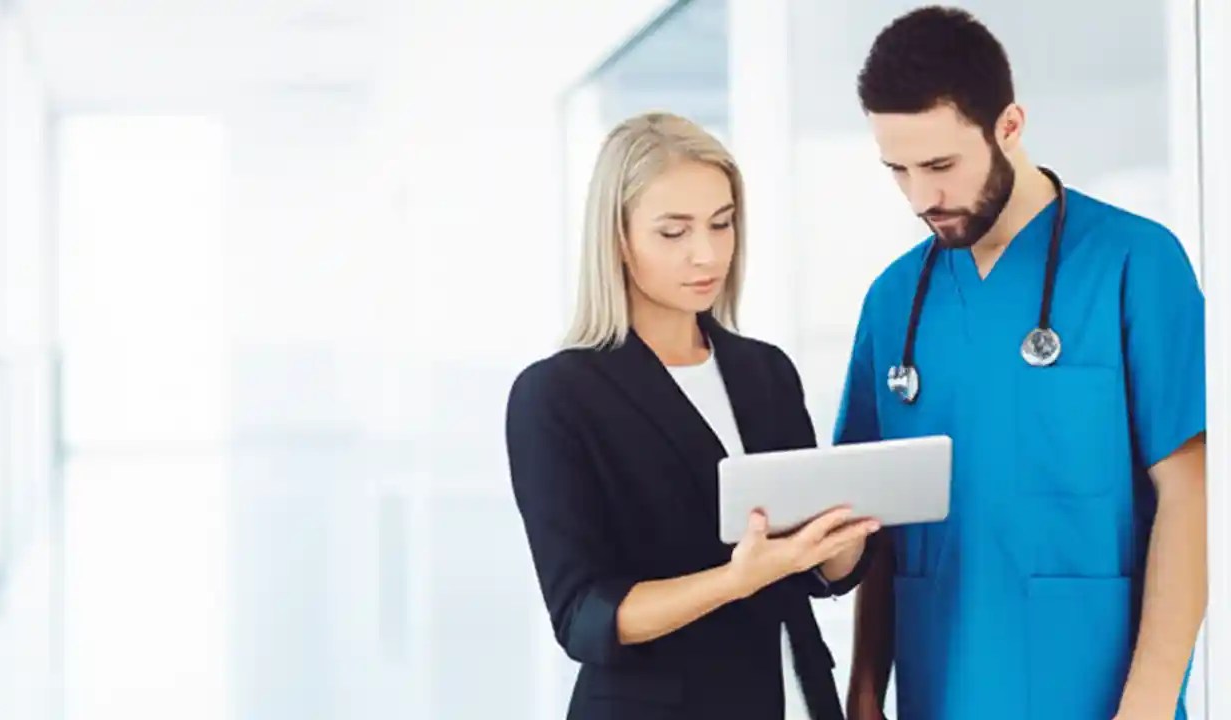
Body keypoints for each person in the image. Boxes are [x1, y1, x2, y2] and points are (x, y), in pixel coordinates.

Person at [838, 7, 1208, 720]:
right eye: (899, 171)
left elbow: (1193, 495)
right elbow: (869, 526)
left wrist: (1151, 702)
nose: (922, 199)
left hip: (1097, 696)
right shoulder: (893, 302)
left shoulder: (1135, 263)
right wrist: (863, 694)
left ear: (1009, 125)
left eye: (941, 166)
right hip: (937, 693)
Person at [505, 112, 878, 720]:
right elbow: (586, 616)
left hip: (796, 696)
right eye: (673, 233)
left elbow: (815, 575)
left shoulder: (766, 371)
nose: (706, 254)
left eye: (721, 224)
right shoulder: (556, 395)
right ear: (618, 239)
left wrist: (841, 540)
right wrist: (737, 578)